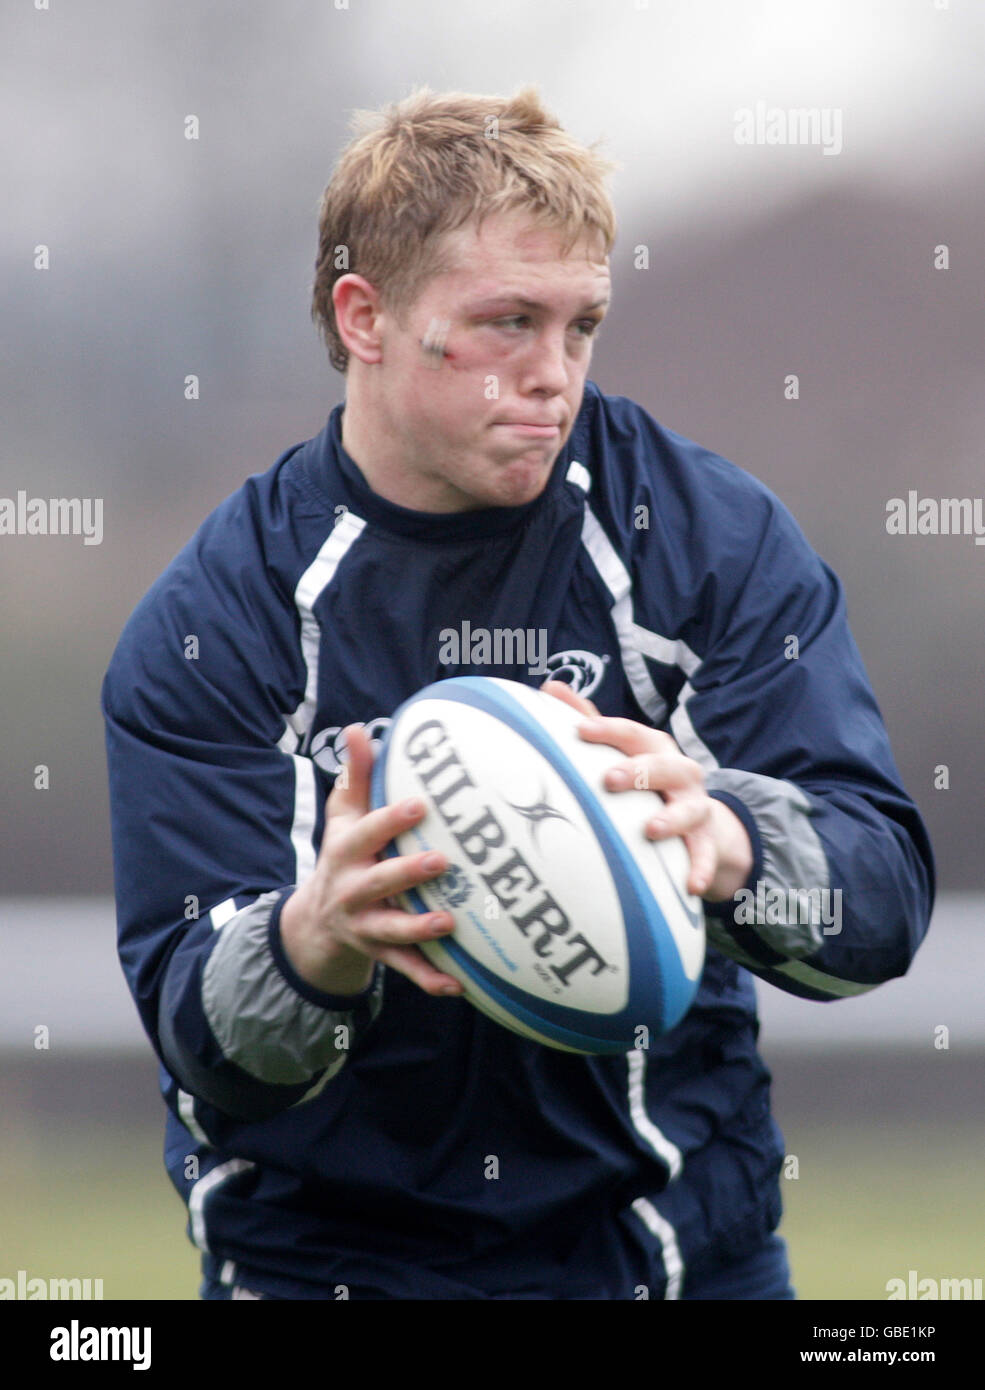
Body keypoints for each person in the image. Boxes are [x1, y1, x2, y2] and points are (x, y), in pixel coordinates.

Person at [101, 86, 934, 1300]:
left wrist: (730, 838)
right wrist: (312, 939)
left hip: (670, 1259)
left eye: (580, 325)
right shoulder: (218, 625)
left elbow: (882, 902)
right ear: (365, 315)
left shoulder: (702, 542)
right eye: (505, 322)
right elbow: (201, 1036)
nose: (554, 375)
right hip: (328, 1271)